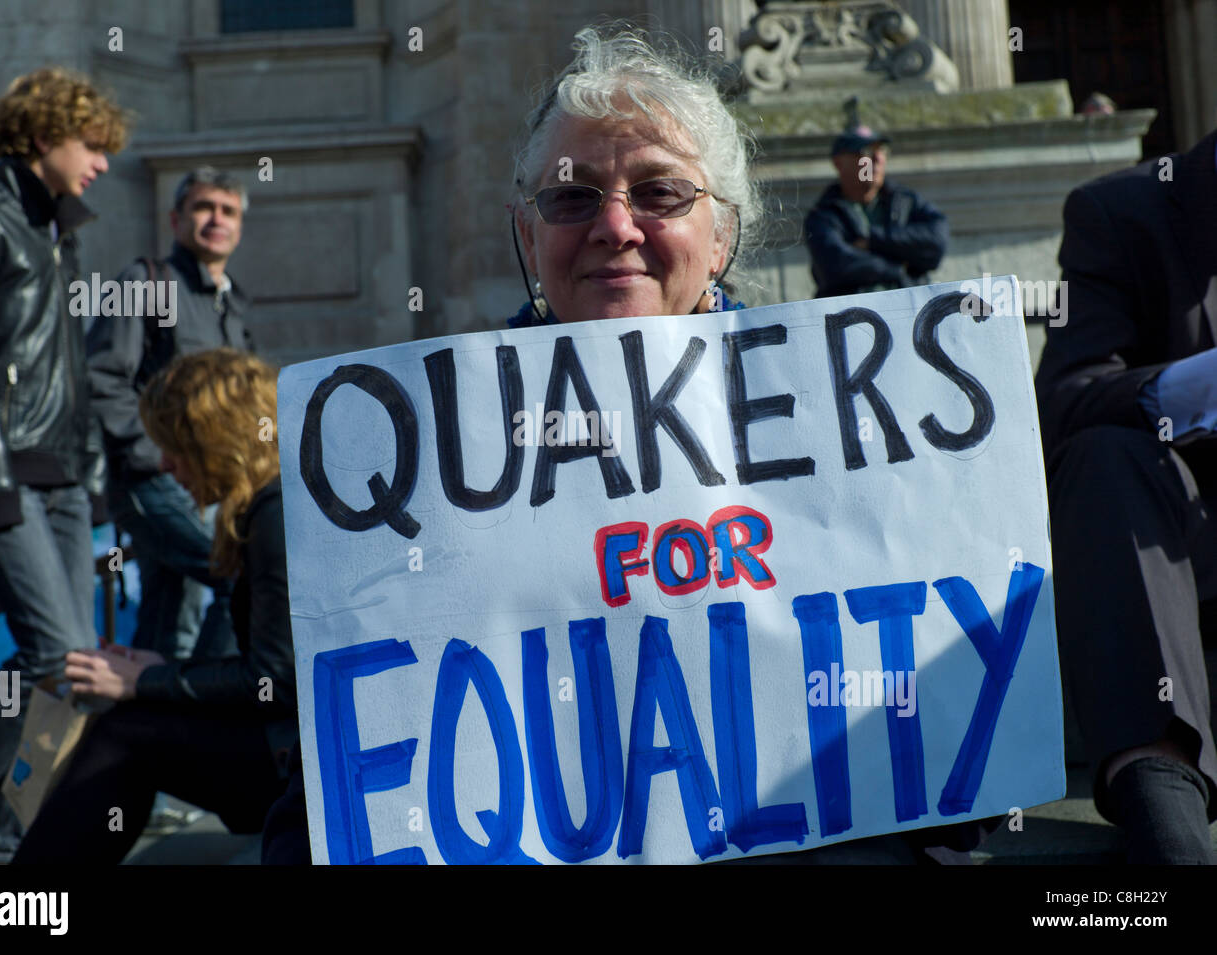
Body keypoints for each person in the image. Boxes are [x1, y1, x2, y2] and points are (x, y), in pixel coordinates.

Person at [262, 24, 991, 865]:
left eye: (660, 193)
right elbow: (330, 800)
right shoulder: (425, 458)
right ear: (528, 236)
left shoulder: (851, 435)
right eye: (572, 198)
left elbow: (934, 755)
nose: (616, 225)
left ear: (722, 235)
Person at [0, 66, 127, 865]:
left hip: (64, 476)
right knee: (52, 653)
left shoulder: (54, 229)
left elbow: (65, 368)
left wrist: (91, 476)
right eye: (92, 145)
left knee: (77, 670)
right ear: (43, 137)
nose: (103, 163)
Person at [14, 348, 297, 864]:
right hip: (289, 749)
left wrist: (141, 682)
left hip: (293, 767)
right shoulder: (278, 500)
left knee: (126, 733)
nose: (165, 466)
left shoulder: (273, 516)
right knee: (130, 723)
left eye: (176, 449)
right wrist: (161, 669)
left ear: (218, 442)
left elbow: (274, 682)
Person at [1034, 127, 1217, 864]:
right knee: (1103, 454)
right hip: (1179, 554)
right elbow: (1066, 399)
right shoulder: (1124, 213)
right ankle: (1159, 790)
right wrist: (1202, 384)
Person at [87, 167, 253, 666]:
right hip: (154, 479)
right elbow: (100, 379)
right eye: (204, 207)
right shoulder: (143, 280)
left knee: (167, 622)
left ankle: (151, 734)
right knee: (241, 578)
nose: (216, 219)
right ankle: (201, 712)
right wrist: (157, 456)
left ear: (240, 225)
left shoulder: (233, 303)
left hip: (211, 488)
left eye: (228, 211)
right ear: (176, 218)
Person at [804, 107, 948, 299]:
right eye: (865, 152)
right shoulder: (823, 215)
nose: (877, 159)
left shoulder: (906, 201)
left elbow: (936, 240)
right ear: (839, 163)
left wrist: (873, 241)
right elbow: (835, 266)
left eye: (882, 151)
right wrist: (898, 266)